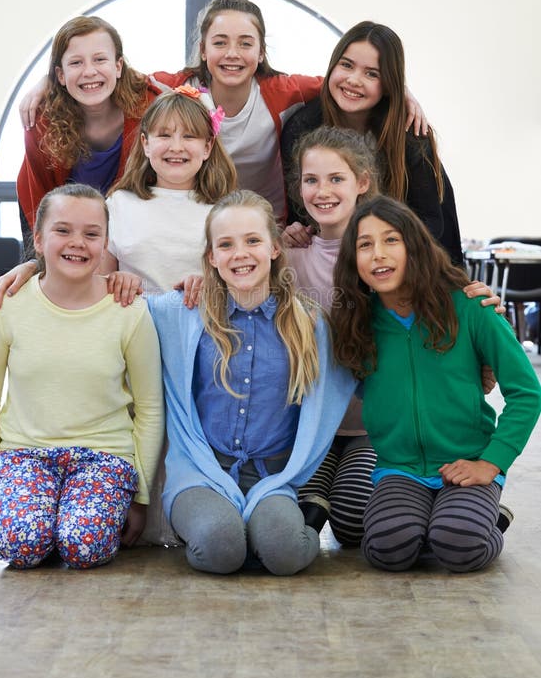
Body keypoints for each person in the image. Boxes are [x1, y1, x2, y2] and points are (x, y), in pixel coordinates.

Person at [20, 0, 427, 225]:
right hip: (200, 222)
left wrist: (400, 89)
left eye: (245, 43)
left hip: (268, 225)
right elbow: (107, 73)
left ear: (261, 52)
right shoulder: (174, 86)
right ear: (202, 49)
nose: (232, 53)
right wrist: (47, 81)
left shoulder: (280, 91)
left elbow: (343, 81)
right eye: (220, 42)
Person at [146, 190, 356, 575]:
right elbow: (107, 301)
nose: (240, 253)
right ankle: (237, 530)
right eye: (226, 244)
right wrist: (27, 269)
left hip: (273, 477)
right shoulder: (183, 313)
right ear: (212, 257)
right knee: (221, 548)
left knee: (285, 554)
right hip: (200, 471)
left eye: (253, 241)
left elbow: (365, 356)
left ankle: (292, 520)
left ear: (275, 248)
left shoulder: (308, 323)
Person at [330, 195, 541, 573]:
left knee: (460, 545)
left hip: (468, 462)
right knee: (386, 549)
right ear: (353, 260)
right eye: (365, 245)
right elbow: (364, 388)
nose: (378, 254)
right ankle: (437, 525)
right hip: (399, 468)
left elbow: (527, 392)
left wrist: (491, 463)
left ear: (415, 245)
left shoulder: (471, 308)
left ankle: (482, 518)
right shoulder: (356, 322)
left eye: (391, 239)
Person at [0, 184, 164, 569]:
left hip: (104, 458)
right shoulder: (5, 306)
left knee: (83, 546)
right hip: (24, 455)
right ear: (38, 240)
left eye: (92, 234)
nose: (78, 242)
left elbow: (150, 408)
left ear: (105, 243)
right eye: (63, 230)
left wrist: (140, 497)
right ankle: (43, 523)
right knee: (20, 547)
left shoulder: (128, 311)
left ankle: (65, 523)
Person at [281, 21, 463, 264]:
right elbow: (301, 210)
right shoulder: (302, 127)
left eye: (371, 73)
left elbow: (431, 224)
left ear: (389, 84)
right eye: (346, 65)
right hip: (331, 265)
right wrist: (296, 232)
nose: (354, 80)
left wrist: (375, 250)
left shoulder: (408, 132)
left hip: (407, 262)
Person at [283, 127, 379, 544]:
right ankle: (317, 488)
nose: (322, 191)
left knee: (354, 524)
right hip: (311, 428)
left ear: (362, 182)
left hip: (371, 428)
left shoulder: (386, 253)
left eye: (336, 178)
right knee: (301, 517)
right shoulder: (288, 257)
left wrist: (479, 296)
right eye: (311, 180)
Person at [17, 15, 159, 253]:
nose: (89, 71)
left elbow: (185, 86)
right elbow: (40, 195)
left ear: (118, 66)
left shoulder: (149, 105)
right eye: (76, 63)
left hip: (125, 218)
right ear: (60, 75)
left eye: (100, 59)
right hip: (47, 206)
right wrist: (41, 255)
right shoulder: (41, 121)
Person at [104, 86, 236, 294]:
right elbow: (96, 282)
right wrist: (114, 280)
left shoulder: (227, 211)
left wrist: (213, 287)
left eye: (189, 136)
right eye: (164, 135)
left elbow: (240, 282)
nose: (176, 147)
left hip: (203, 322)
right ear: (146, 144)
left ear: (207, 148)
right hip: (136, 321)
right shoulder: (118, 204)